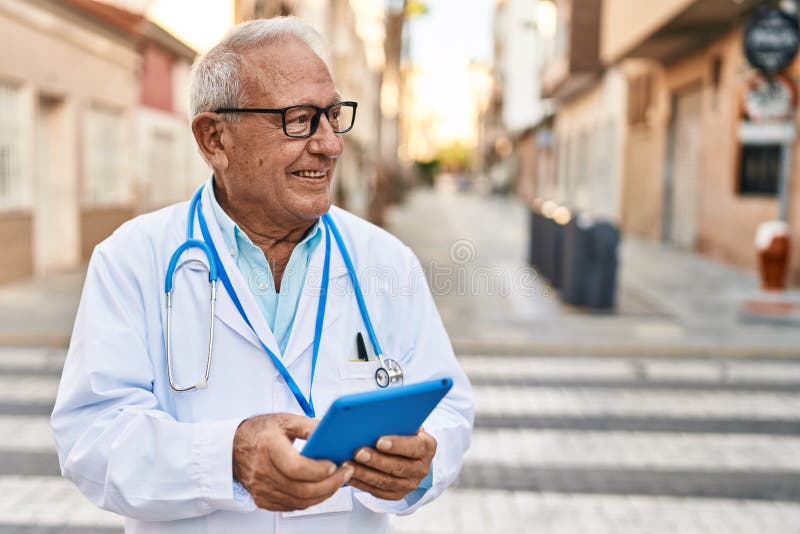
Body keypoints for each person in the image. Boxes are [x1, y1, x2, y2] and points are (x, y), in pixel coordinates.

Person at [50, 16, 474, 534]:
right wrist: (227, 456)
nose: (330, 144)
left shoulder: (386, 261)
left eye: (333, 116)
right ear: (215, 139)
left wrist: (420, 462)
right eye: (299, 119)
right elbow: (91, 438)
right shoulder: (133, 260)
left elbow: (448, 406)